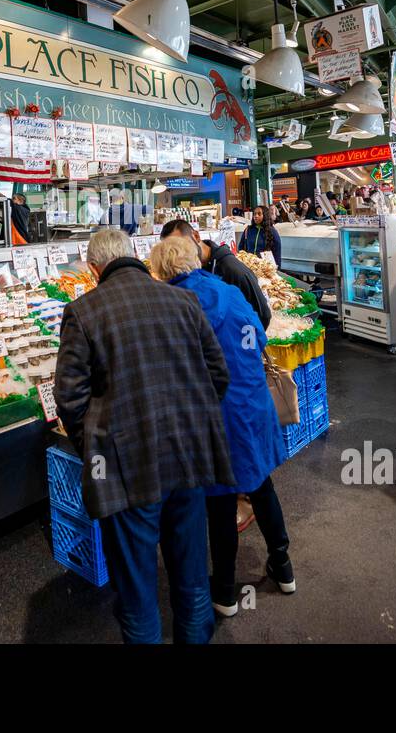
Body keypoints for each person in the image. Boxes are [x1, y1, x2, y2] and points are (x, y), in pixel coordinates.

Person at [54, 228, 234, 644]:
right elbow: (217, 374)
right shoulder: (182, 300)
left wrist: (95, 448)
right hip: (187, 459)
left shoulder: (83, 312)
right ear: (136, 255)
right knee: (191, 580)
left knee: (137, 592)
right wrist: (193, 421)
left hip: (126, 469)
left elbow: (70, 399)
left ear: (95, 268)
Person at [148, 236, 293, 616]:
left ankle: (226, 591)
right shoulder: (227, 291)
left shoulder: (175, 303)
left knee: (221, 500)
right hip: (253, 402)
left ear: (162, 271)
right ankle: (283, 566)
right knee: (261, 486)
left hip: (216, 415)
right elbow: (260, 337)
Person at [160, 219, 271, 329]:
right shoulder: (187, 272)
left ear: (196, 236)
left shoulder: (233, 270)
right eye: (172, 251)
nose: (179, 254)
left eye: (182, 246)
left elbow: (263, 315)